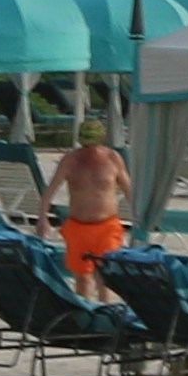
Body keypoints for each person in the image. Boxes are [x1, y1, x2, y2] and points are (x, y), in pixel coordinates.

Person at [46, 120, 135, 292]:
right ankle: (84, 315)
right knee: (82, 279)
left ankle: (106, 312)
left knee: (104, 277)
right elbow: (50, 191)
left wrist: (140, 216)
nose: (89, 149)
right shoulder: (70, 160)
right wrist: (43, 218)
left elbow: (128, 190)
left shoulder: (113, 158)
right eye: (86, 145)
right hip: (78, 226)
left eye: (92, 145)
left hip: (107, 226)